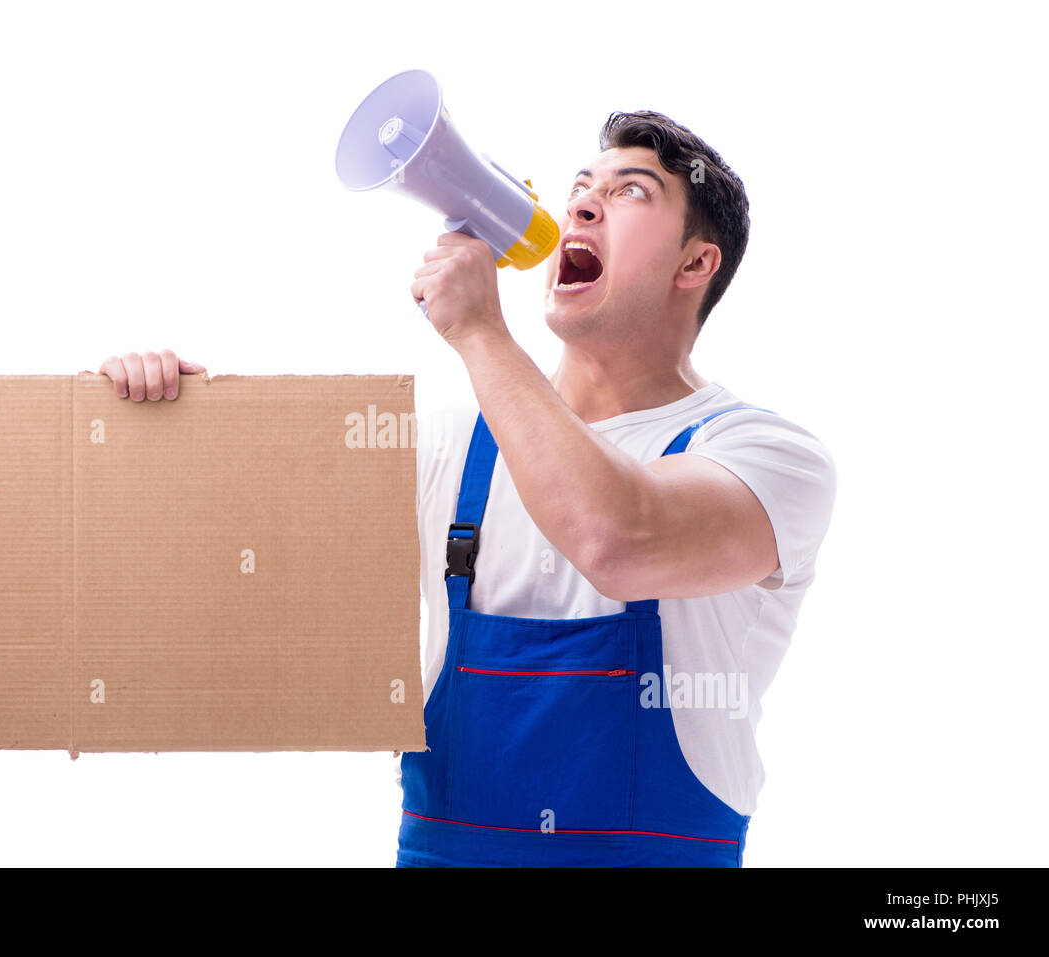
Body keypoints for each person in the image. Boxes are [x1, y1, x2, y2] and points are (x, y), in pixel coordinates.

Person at [96, 111, 836, 868]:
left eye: (629, 193)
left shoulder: (766, 456)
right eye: (581, 188)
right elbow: (237, 581)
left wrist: (482, 332)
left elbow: (619, 539)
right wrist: (152, 429)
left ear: (695, 265)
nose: (581, 205)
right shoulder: (446, 449)